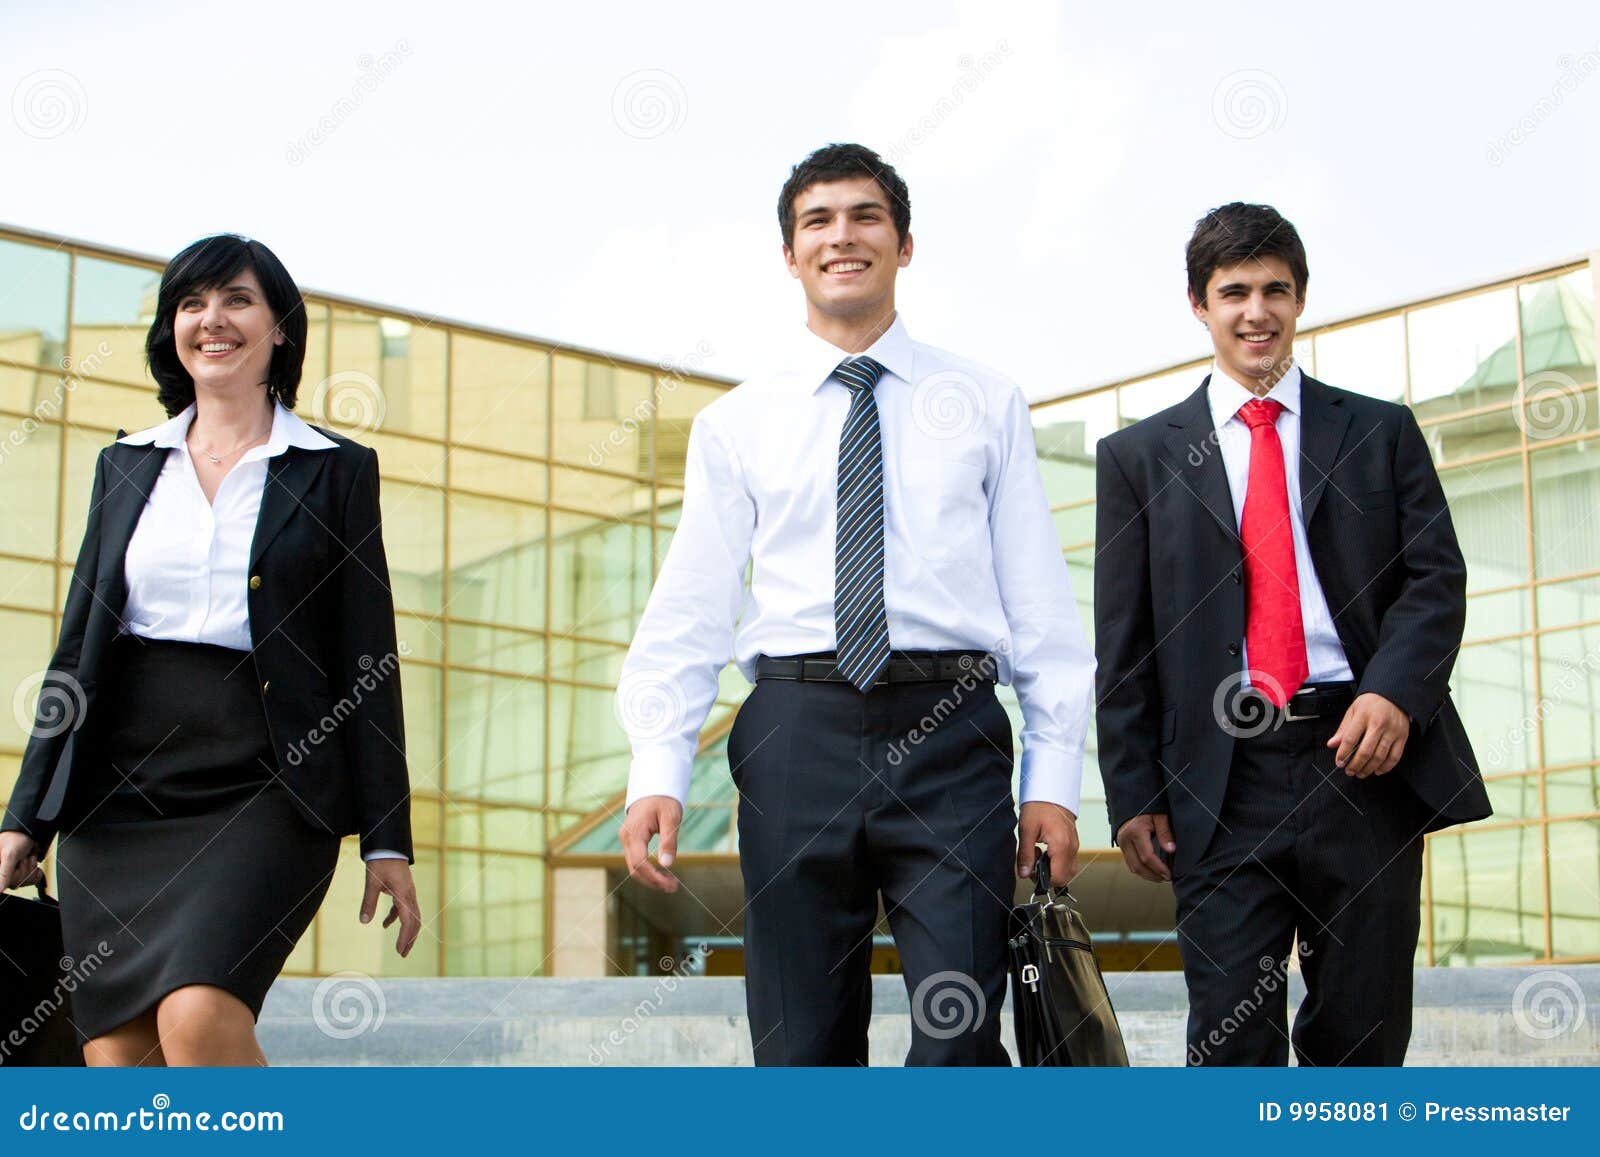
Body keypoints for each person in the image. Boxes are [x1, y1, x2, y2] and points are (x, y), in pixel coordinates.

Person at [616, 143, 1094, 1065]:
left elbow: (1040, 608)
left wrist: (1052, 781)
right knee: (802, 1049)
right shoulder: (736, 423)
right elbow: (692, 608)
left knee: (958, 1040)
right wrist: (656, 769)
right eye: (818, 221)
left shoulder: (986, 403)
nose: (844, 236)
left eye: (866, 216)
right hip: (797, 733)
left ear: (904, 244)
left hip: (952, 733)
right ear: (789, 255)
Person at [0, 234, 421, 1066]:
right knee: (118, 1054)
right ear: (172, 329)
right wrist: (25, 815)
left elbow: (368, 657)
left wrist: (387, 838)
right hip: (117, 794)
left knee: (197, 1015)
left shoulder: (335, 470)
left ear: (279, 328)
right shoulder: (125, 465)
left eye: (236, 299)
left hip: (267, 781)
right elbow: (77, 649)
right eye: (191, 303)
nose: (211, 320)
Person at [1094, 203, 1491, 1066]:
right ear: (1199, 305)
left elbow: (1436, 578)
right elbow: (1124, 643)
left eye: (1276, 289)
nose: (1256, 311)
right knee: (1231, 1043)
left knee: (1364, 1036)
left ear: (1301, 299)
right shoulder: (1138, 458)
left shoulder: (1380, 431)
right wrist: (1132, 792)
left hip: (1363, 765)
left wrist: (1394, 690)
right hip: (1218, 783)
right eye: (1233, 291)